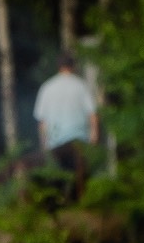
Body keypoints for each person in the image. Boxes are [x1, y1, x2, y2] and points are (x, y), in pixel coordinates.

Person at [33, 52, 98, 197]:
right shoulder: (81, 85)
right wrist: (94, 135)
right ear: (73, 66)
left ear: (59, 66)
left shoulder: (47, 87)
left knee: (59, 176)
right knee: (79, 176)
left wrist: (43, 142)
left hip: (55, 140)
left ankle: (62, 201)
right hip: (78, 139)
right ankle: (79, 202)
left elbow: (41, 120)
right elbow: (92, 114)